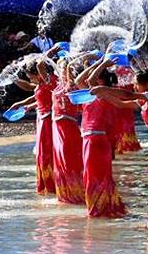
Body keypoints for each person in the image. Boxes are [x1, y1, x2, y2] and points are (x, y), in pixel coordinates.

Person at [91, 68, 148, 227]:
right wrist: (103, 95)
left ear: (147, 84)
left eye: (137, 84)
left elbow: (128, 95)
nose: (134, 86)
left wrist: (104, 89)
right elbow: (122, 103)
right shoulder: (144, 99)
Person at [74, 58, 127, 218]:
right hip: (94, 139)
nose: (90, 79)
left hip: (94, 140)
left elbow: (83, 80)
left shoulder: (101, 92)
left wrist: (102, 63)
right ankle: (103, 207)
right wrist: (99, 64)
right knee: (98, 175)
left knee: (93, 176)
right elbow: (79, 80)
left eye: (94, 76)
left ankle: (98, 209)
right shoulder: (96, 93)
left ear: (100, 79)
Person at [10, 58, 57, 195]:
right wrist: (25, 105)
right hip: (42, 120)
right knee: (41, 155)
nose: (30, 79)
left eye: (31, 76)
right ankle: (46, 186)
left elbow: (40, 65)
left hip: (48, 121)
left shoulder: (50, 81)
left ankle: (52, 186)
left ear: (38, 74)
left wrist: (48, 54)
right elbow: (39, 97)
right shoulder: (42, 83)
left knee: (46, 155)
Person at [51, 57, 84, 204]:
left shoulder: (72, 86)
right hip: (56, 126)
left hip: (68, 126)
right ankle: (64, 194)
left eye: (67, 69)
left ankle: (75, 193)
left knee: (68, 159)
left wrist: (70, 64)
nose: (63, 72)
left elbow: (71, 81)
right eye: (62, 69)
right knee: (59, 160)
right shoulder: (58, 86)